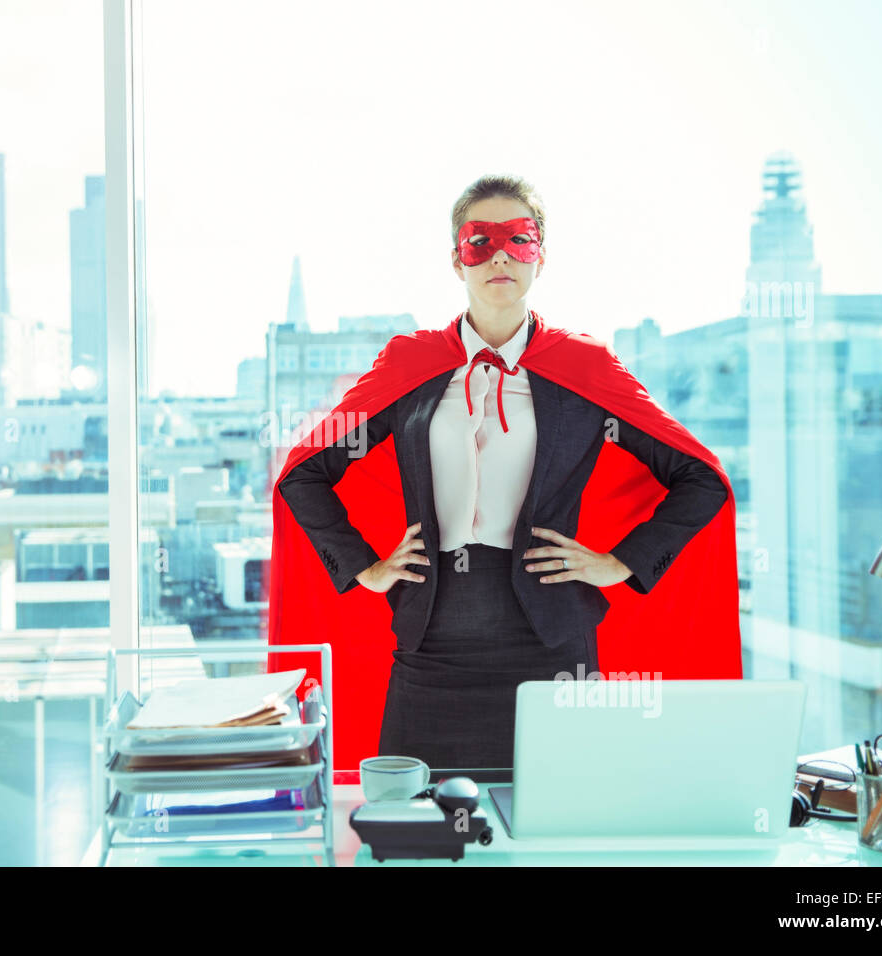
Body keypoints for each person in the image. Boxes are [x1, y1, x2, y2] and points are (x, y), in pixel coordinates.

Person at [269, 174, 738, 772]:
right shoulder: (410, 363)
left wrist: (620, 562)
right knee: (417, 834)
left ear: (541, 257)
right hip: (428, 650)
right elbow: (303, 473)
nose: (499, 255)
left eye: (519, 239)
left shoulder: (583, 367)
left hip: (553, 652)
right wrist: (364, 568)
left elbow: (701, 479)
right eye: (479, 241)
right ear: (456, 259)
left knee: (559, 832)